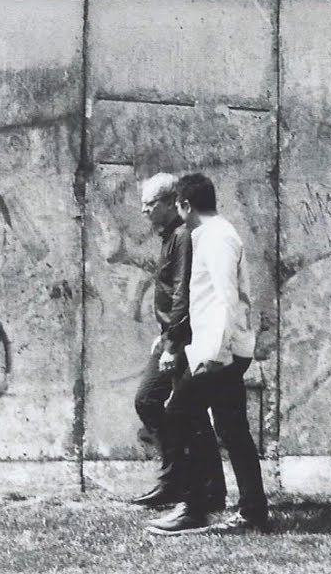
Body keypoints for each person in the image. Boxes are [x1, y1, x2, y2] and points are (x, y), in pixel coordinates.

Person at [146, 172, 269, 536]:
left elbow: (224, 300)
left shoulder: (215, 239)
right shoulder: (216, 233)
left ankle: (194, 508)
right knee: (233, 430)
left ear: (184, 205)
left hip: (219, 351)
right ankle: (253, 512)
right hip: (223, 348)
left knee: (178, 413)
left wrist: (212, 355)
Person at [130, 173, 227, 513]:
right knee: (192, 415)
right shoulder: (173, 236)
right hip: (175, 334)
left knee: (151, 400)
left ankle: (182, 483)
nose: (144, 210)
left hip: (183, 338)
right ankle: (203, 487)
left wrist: (171, 342)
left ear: (173, 203)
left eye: (150, 204)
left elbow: (184, 292)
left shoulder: (183, 237)